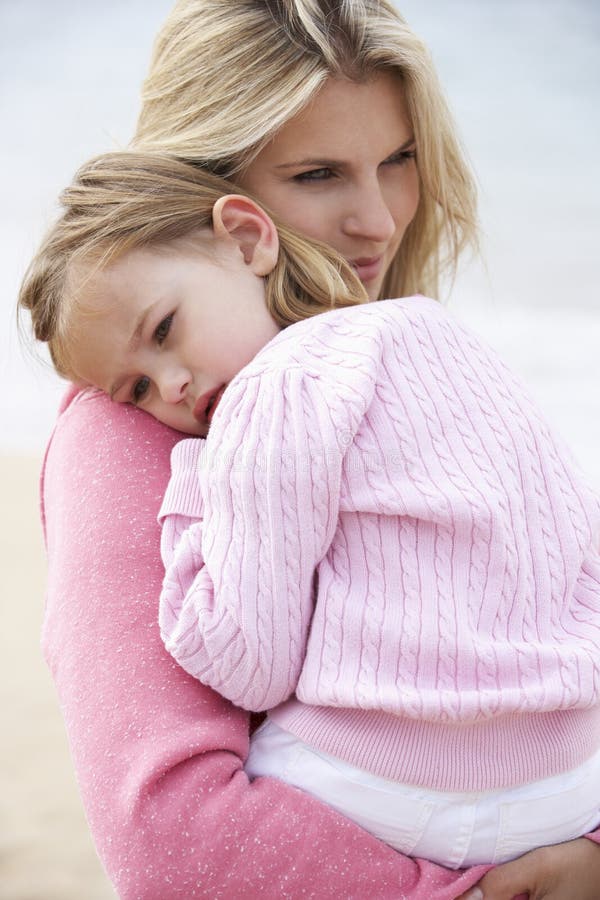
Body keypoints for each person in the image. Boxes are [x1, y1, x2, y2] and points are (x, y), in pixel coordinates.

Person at [27, 0, 600, 896]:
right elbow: (172, 839)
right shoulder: (129, 429)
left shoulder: (395, 355)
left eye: (400, 158)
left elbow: (559, 608)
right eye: (320, 173)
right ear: (224, 197)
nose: (378, 220)